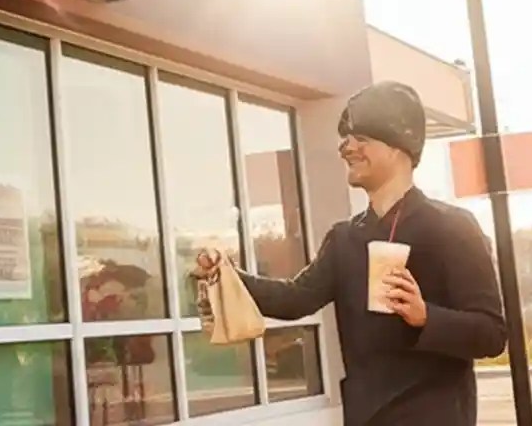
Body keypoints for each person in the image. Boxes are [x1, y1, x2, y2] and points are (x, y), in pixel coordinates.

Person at [196, 81, 506, 426]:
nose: (347, 148)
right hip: (366, 416)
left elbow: (491, 334)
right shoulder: (344, 238)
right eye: (346, 139)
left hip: (435, 415)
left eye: (362, 138)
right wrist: (226, 275)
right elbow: (293, 299)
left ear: (399, 145)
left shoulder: (453, 227)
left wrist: (425, 316)